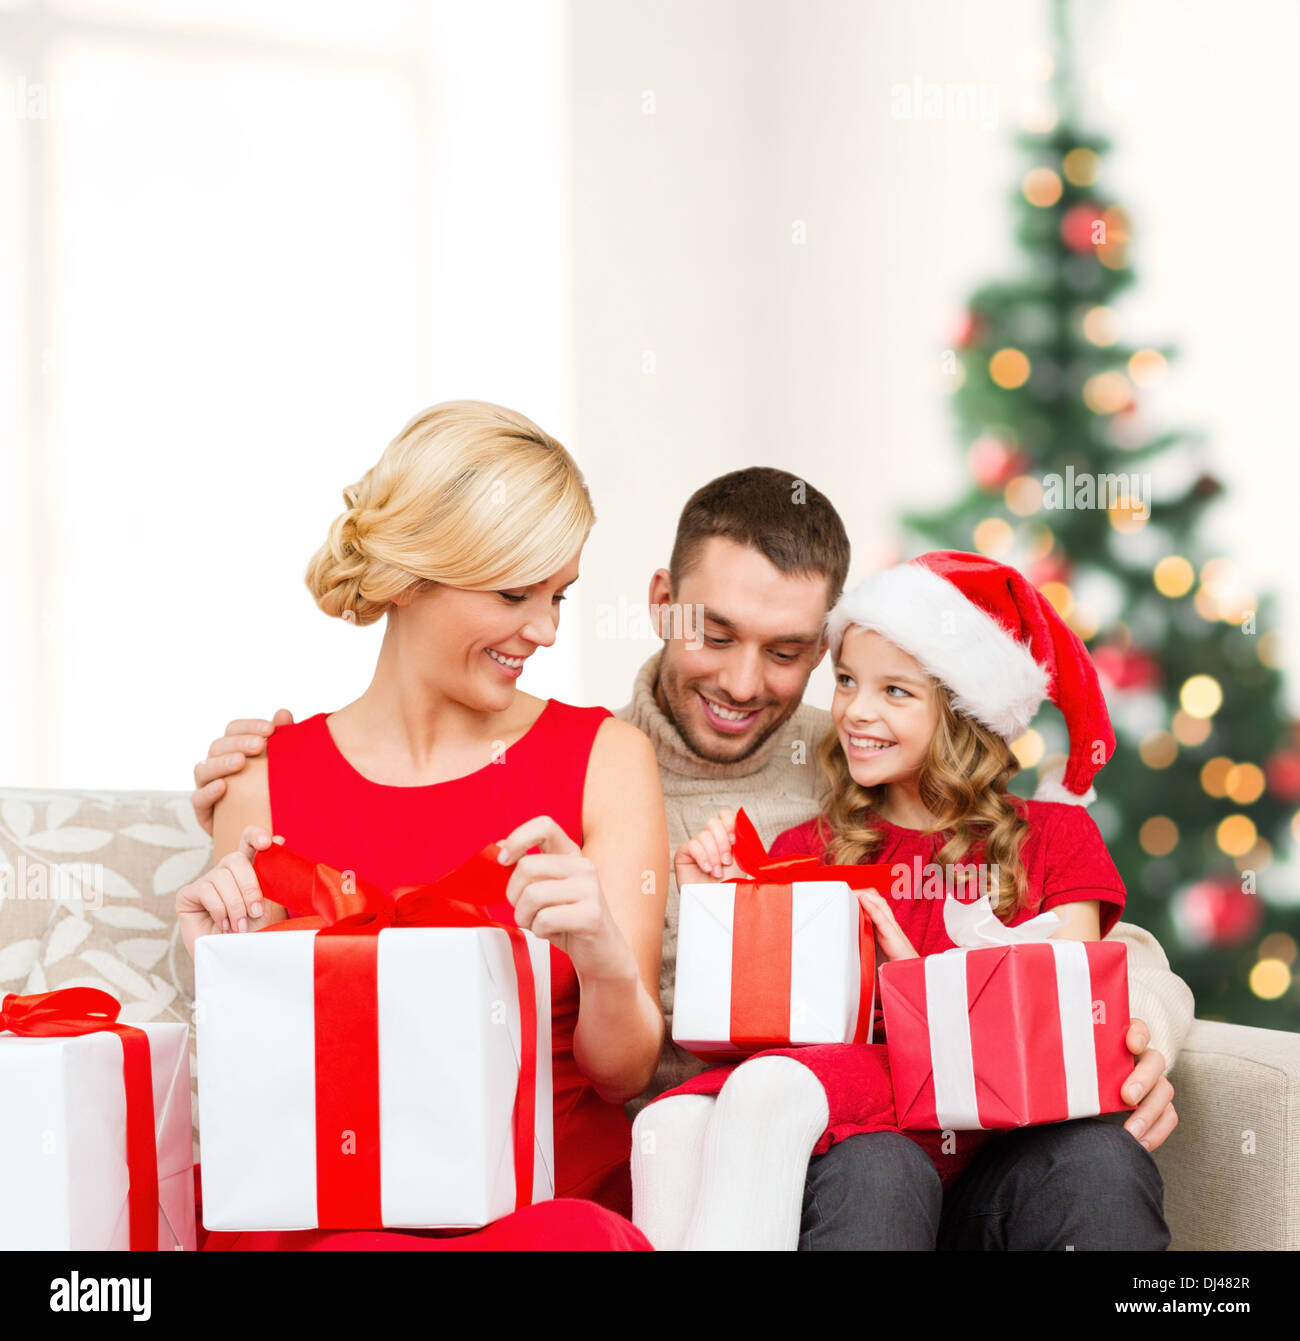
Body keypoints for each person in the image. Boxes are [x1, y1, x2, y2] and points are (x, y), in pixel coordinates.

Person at [189, 468, 1189, 1249]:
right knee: (869, 1166)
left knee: (1078, 1163)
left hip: (913, 1140)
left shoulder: (860, 757)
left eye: (792, 652)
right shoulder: (570, 764)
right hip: (714, 1165)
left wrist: (1139, 1023)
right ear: (662, 601)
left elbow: (1074, 914)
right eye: (713, 633)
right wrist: (260, 792)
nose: (745, 683)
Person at [177, 400, 665, 1250]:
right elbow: (258, 1085)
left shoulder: (606, 757)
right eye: (516, 593)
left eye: (560, 596)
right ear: (409, 576)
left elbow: (620, 1071)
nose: (545, 630)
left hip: (536, 1211)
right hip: (335, 1214)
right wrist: (219, 960)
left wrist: (601, 951)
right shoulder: (262, 778)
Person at [665, 550, 1171, 1250]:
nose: (855, 711)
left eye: (895, 692)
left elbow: (1074, 1030)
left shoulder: (1054, 837)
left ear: (963, 708)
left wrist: (924, 998)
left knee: (1099, 1158)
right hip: (868, 1167)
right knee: (878, 1168)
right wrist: (720, 922)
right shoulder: (804, 852)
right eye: (846, 681)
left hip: (1007, 1169)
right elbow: (761, 1069)